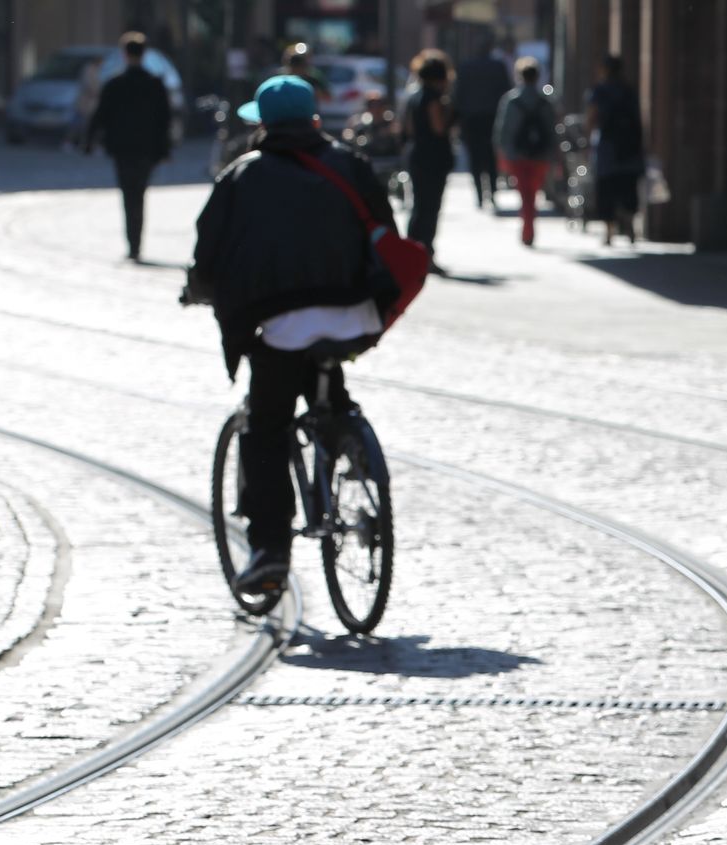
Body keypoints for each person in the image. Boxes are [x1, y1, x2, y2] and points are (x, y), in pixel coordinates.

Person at [185, 75, 395, 593]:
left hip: (281, 322)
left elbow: (208, 252)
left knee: (267, 426)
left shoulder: (241, 176)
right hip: (354, 316)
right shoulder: (351, 165)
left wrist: (199, 288)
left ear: (262, 125)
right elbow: (385, 231)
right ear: (315, 120)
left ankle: (270, 550)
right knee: (324, 371)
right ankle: (346, 434)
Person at [84, 32, 172, 262]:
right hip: (147, 149)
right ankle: (136, 243)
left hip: (122, 148)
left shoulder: (115, 83)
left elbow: (100, 115)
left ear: (124, 54)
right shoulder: (155, 83)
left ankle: (132, 245)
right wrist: (164, 150)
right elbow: (164, 120)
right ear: (144, 54)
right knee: (139, 194)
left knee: (128, 194)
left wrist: (88, 141)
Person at [494, 57, 557, 246]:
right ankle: (529, 226)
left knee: (524, 193)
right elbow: (552, 130)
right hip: (540, 155)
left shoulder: (511, 100)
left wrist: (502, 153)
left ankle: (527, 228)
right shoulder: (545, 101)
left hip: (517, 155)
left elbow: (502, 130)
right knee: (533, 192)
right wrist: (553, 155)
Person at [404, 50, 456, 274]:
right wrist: (451, 114)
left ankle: (411, 254)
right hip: (433, 158)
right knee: (430, 208)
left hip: (417, 155)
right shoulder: (433, 98)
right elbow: (438, 128)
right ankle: (425, 255)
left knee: (418, 207)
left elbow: (407, 128)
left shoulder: (413, 95)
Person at [584, 54, 644, 245]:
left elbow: (592, 118)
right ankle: (631, 228)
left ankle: (609, 232)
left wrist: (588, 136)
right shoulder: (629, 90)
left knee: (606, 188)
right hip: (629, 146)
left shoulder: (600, 91)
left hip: (607, 146)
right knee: (628, 186)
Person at [454, 38, 513, 209]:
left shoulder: (466, 67)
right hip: (492, 118)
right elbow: (506, 92)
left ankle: (480, 194)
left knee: (475, 158)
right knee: (490, 157)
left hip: (471, 119)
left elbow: (458, 95)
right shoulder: (497, 66)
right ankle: (492, 191)